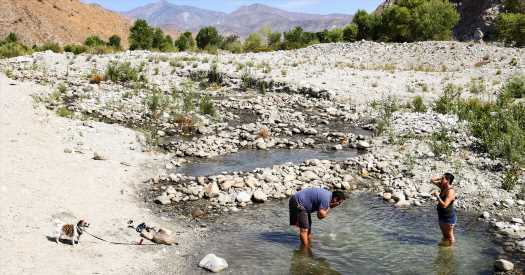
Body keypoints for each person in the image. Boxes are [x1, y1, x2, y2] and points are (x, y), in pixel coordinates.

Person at [431, 173, 456, 247]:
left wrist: (437, 196)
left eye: (443, 179)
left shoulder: (450, 191)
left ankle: (451, 250)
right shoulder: (443, 186)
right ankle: (444, 248)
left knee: (450, 236)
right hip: (442, 216)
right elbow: (432, 180)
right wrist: (441, 177)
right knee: (445, 236)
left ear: (448, 180)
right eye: (441, 178)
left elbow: (445, 205)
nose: (441, 180)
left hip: (448, 217)